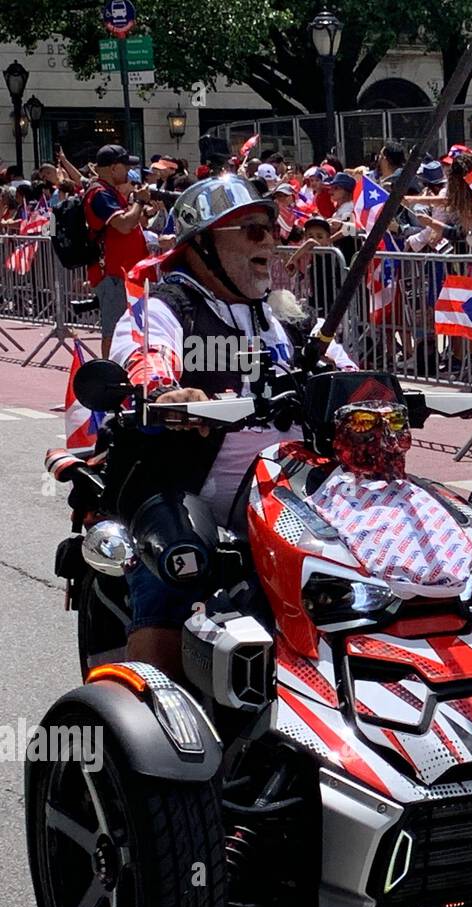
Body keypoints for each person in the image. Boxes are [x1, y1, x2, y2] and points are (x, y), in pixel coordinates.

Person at [109, 174, 356, 677]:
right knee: (175, 565)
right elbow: (146, 356)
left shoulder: (285, 318)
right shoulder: (166, 306)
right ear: (201, 243)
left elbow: (351, 376)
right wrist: (167, 393)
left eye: (270, 228)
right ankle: (152, 717)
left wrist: (381, 397)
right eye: (249, 230)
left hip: (296, 496)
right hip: (194, 489)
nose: (269, 240)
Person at [85, 144, 150, 358]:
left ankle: (121, 371)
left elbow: (133, 222)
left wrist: (141, 206)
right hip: (112, 274)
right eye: (125, 167)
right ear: (113, 168)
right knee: (113, 331)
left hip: (124, 273)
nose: (129, 172)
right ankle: (108, 379)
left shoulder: (109, 192)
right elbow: (123, 225)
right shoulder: (100, 194)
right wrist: (139, 201)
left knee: (127, 330)